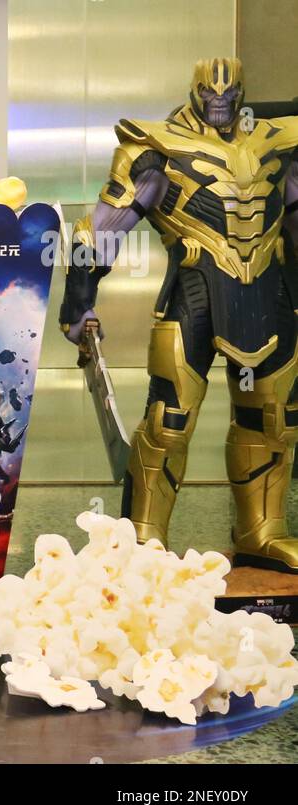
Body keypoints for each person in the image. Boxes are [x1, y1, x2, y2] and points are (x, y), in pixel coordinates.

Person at [59, 57, 298, 570]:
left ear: (241, 95)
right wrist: (79, 301)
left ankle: (262, 531)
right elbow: (101, 228)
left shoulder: (280, 143)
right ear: (194, 92)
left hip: (267, 298)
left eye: (229, 97)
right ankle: (144, 539)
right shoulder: (157, 148)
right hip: (193, 294)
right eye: (211, 96)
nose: (220, 104)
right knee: (169, 422)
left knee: (274, 421)